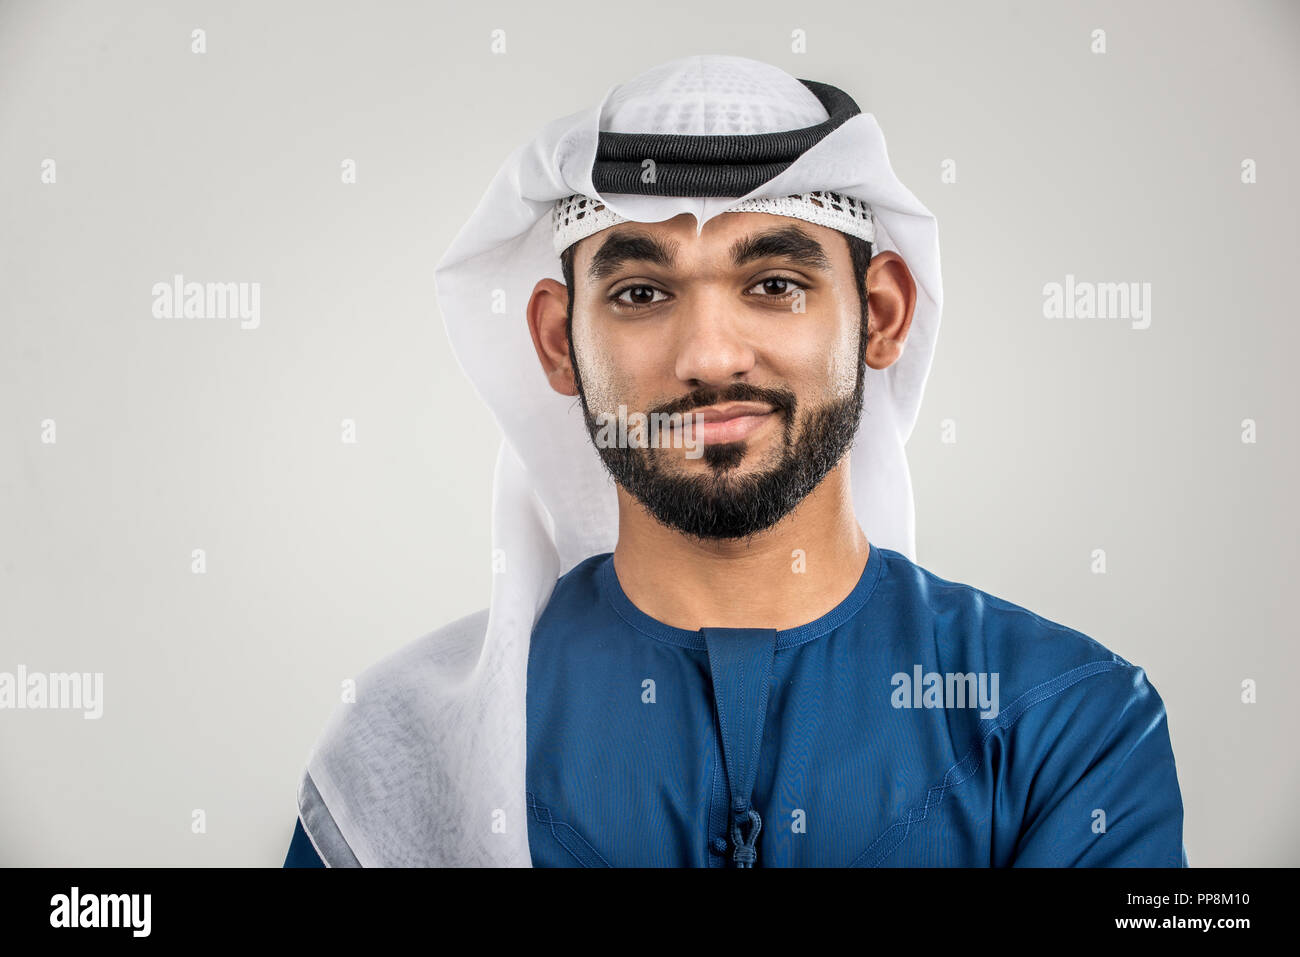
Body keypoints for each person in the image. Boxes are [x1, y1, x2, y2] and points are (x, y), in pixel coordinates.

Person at [284, 54, 1187, 868]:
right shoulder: (410, 742)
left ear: (880, 316)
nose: (711, 356)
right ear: (560, 343)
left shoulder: (1065, 723)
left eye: (774, 286)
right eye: (641, 292)